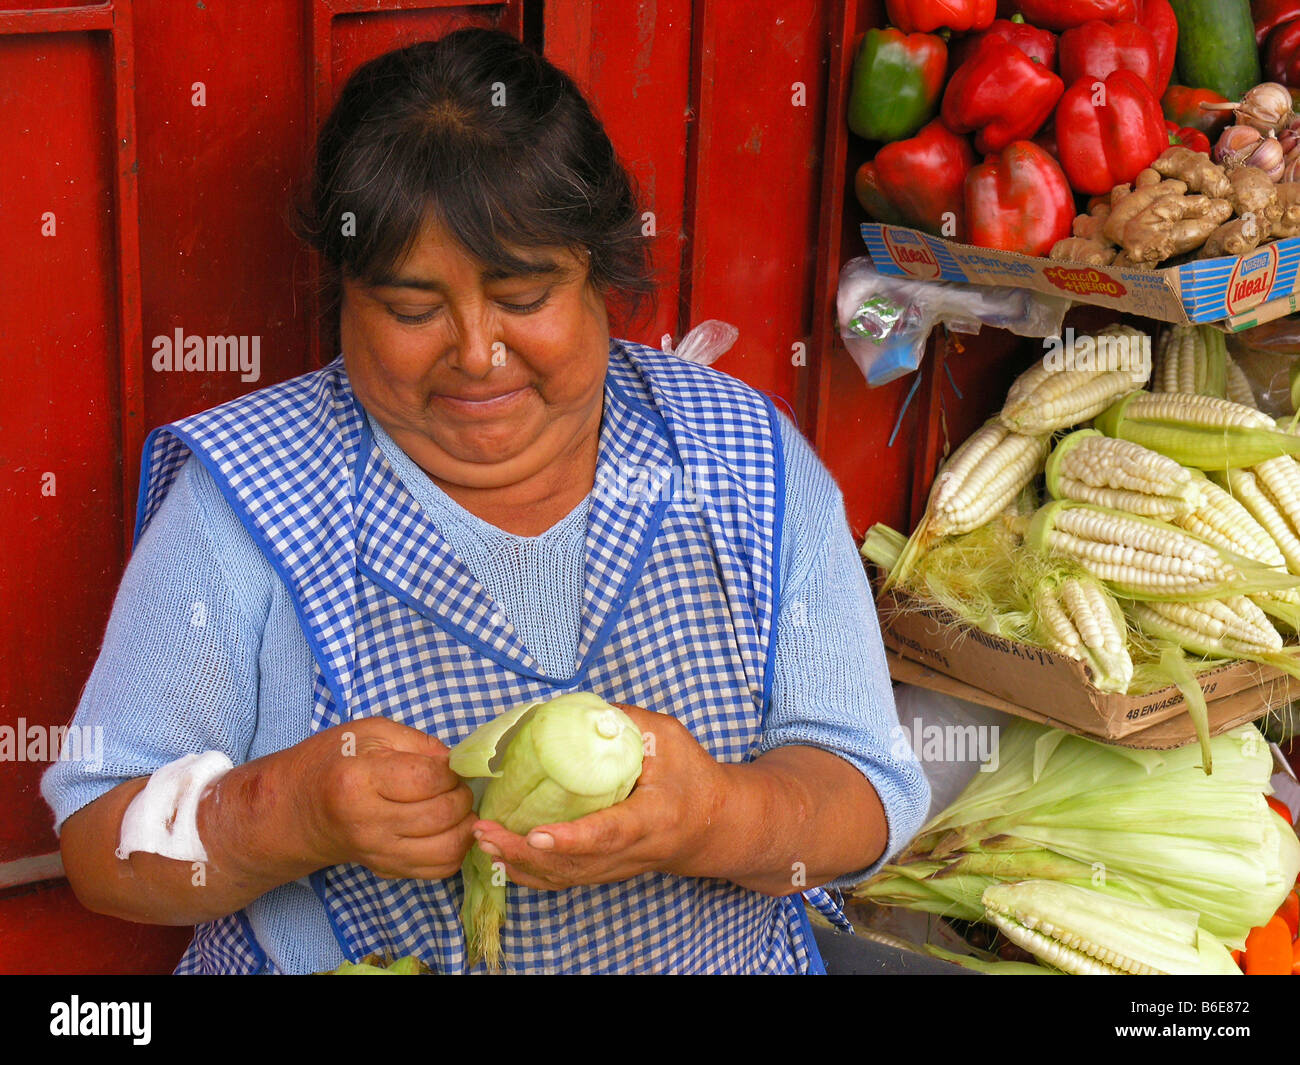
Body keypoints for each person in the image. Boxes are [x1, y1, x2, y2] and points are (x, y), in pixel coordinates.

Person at [42, 27, 929, 974]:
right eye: (414, 308)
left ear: (600, 273)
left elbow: (865, 788)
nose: (476, 350)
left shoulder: (737, 453)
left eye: (523, 291)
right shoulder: (250, 495)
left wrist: (715, 817)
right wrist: (283, 813)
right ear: (345, 292)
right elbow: (103, 846)